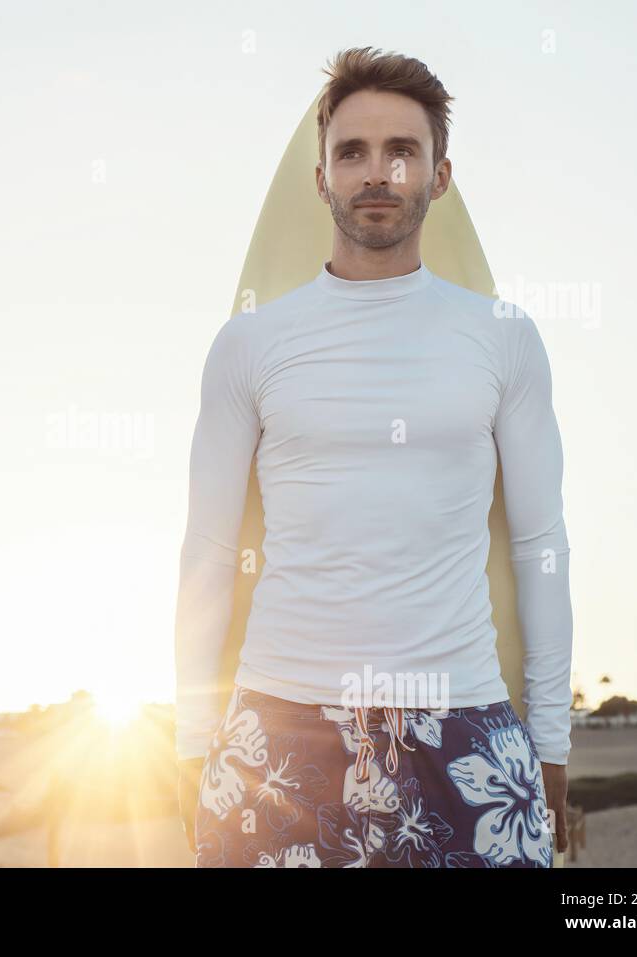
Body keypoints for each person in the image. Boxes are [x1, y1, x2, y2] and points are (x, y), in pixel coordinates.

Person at [174, 46, 572, 868]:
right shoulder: (249, 343)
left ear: (441, 174)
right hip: (277, 731)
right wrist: (192, 737)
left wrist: (552, 740)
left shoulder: (505, 338)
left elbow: (539, 545)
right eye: (351, 152)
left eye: (402, 151)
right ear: (320, 178)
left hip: (463, 722)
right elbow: (208, 550)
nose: (377, 172)